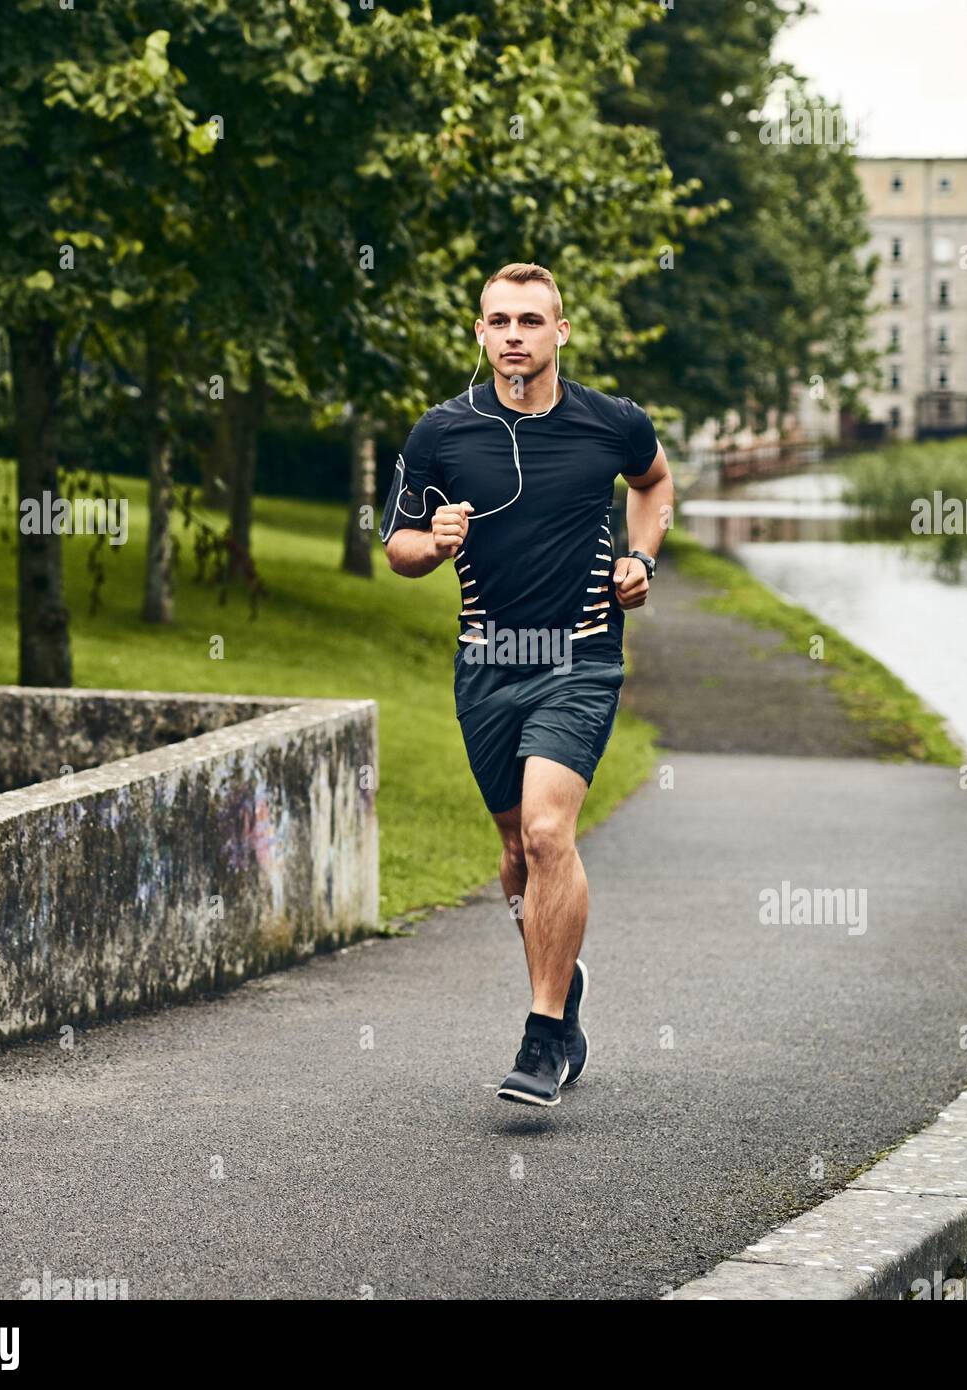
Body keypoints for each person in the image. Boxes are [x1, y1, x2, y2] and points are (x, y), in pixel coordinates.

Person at [381, 262, 673, 1107]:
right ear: (480, 333)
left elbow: (655, 483)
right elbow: (395, 549)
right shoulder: (440, 434)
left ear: (560, 332)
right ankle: (562, 983)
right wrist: (431, 544)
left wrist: (641, 557)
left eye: (531, 321)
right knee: (514, 850)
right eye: (499, 320)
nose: (515, 334)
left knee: (549, 833)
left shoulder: (610, 423)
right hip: (486, 663)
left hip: (578, 657)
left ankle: (544, 1036)